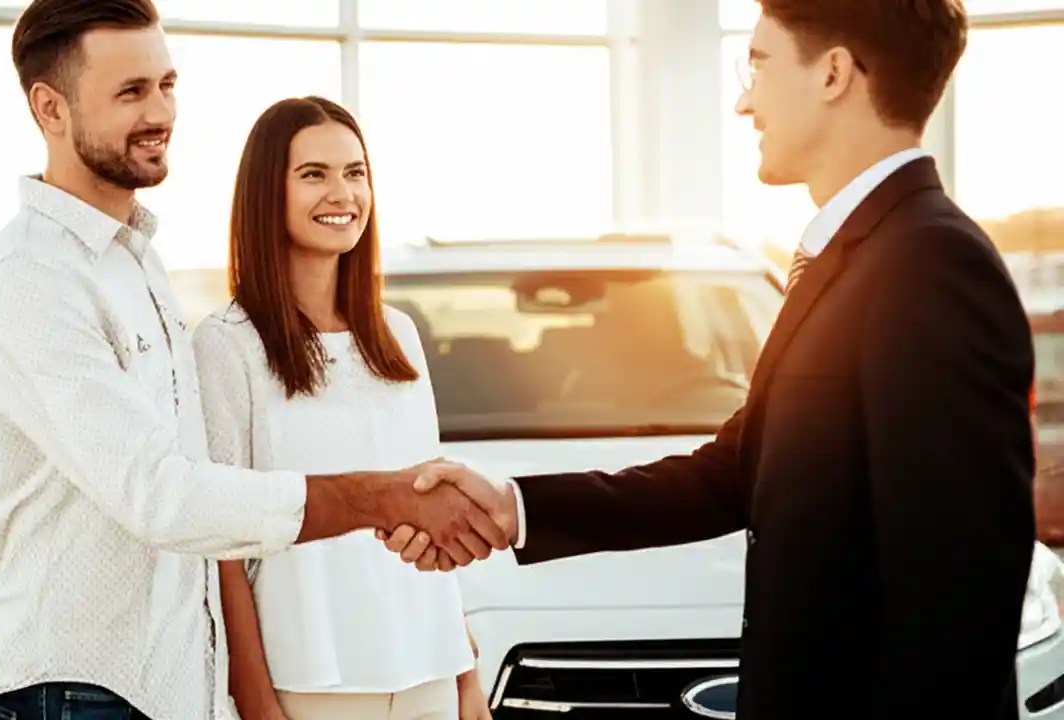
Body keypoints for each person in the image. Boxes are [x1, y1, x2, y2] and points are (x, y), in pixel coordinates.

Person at [388, 2, 1037, 719]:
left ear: (833, 73)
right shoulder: (855, 255)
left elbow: (962, 588)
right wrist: (514, 506)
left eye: (758, 63)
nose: (743, 98)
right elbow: (733, 474)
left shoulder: (928, 263)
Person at [0, 2, 505, 719]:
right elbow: (165, 497)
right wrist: (378, 497)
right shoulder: (31, 280)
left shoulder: (137, 265)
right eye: (131, 92)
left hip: (167, 690)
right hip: (80, 692)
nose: (161, 111)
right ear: (50, 108)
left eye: (166, 84)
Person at [192, 96, 490, 720]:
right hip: (313, 676)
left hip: (427, 670)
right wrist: (254, 698)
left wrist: (465, 673)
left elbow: (430, 510)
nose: (342, 193)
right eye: (313, 175)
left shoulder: (399, 334)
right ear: (266, 192)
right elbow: (222, 546)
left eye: (355, 173)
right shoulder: (227, 344)